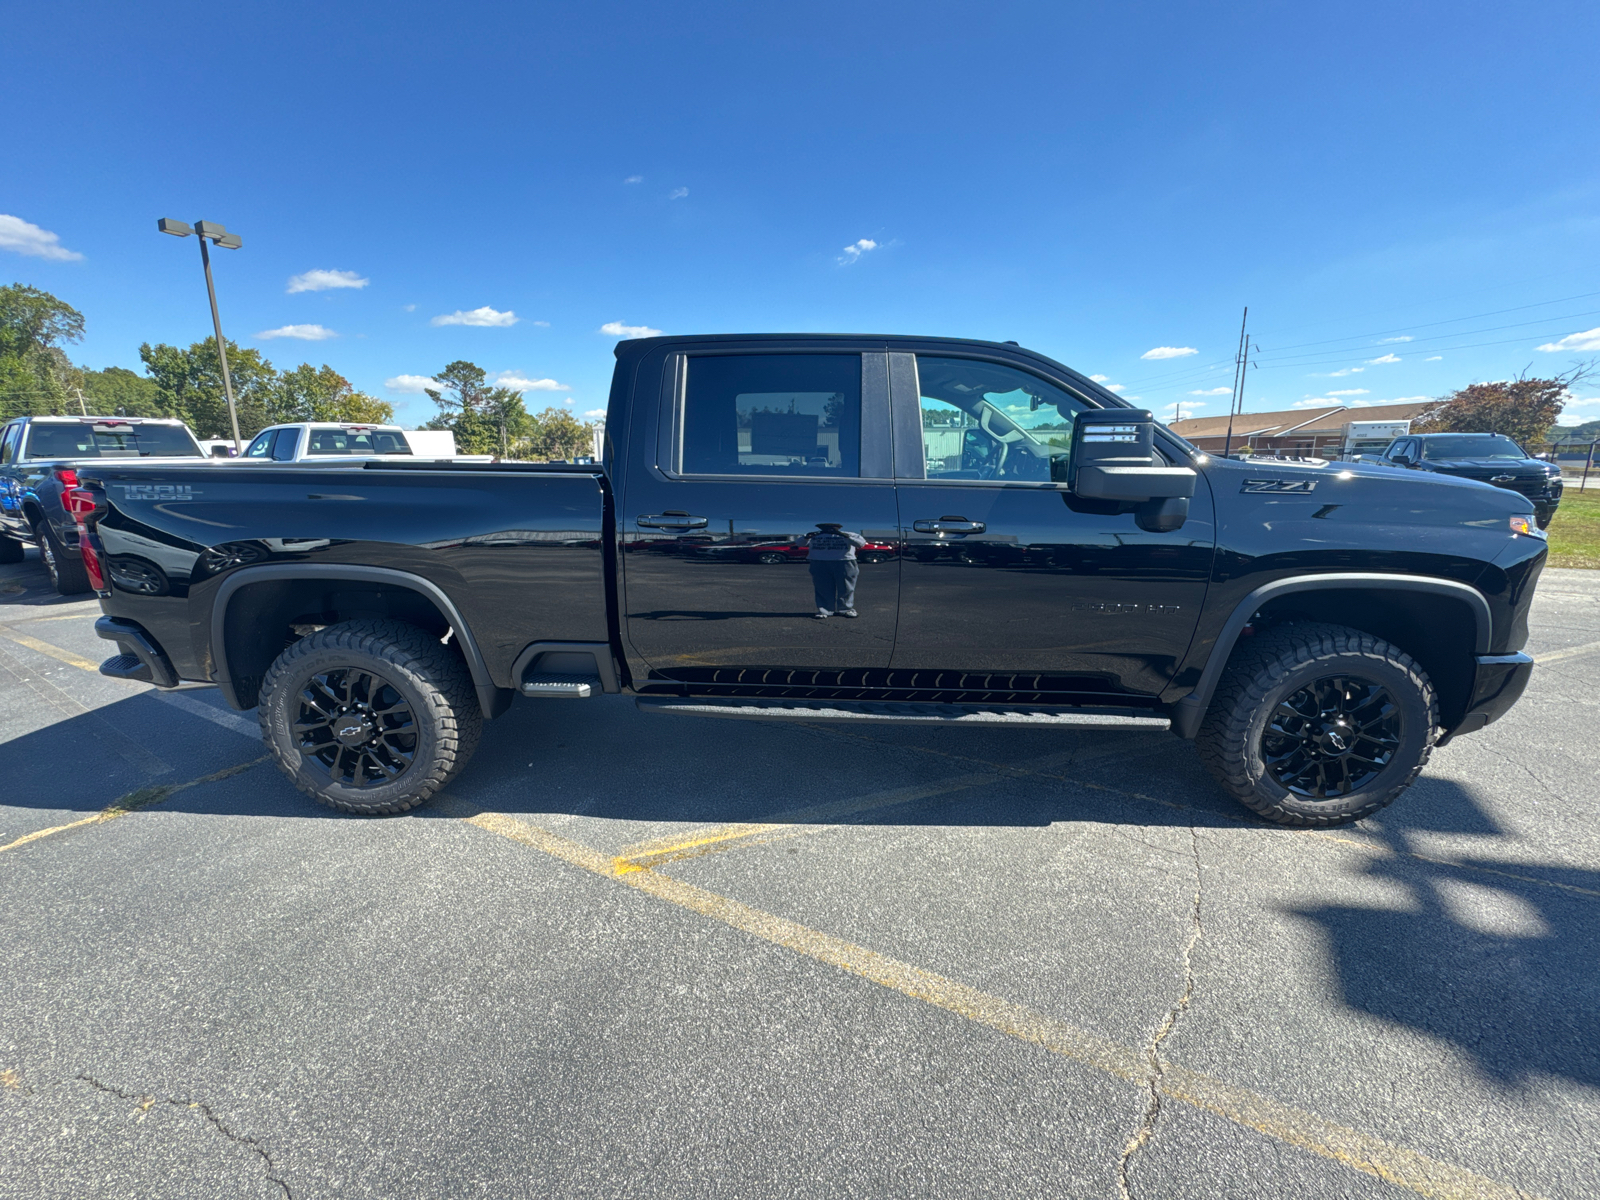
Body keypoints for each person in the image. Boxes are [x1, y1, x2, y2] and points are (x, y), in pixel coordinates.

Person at [806, 522, 865, 618]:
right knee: (822, 587)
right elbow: (800, 543)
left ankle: (846, 609)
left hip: (844, 561)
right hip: (819, 562)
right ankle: (825, 610)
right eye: (825, 528)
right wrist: (807, 537)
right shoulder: (814, 535)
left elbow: (860, 544)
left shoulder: (850, 534)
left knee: (846, 587)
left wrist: (843, 535)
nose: (829, 530)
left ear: (838, 528)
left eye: (832, 528)